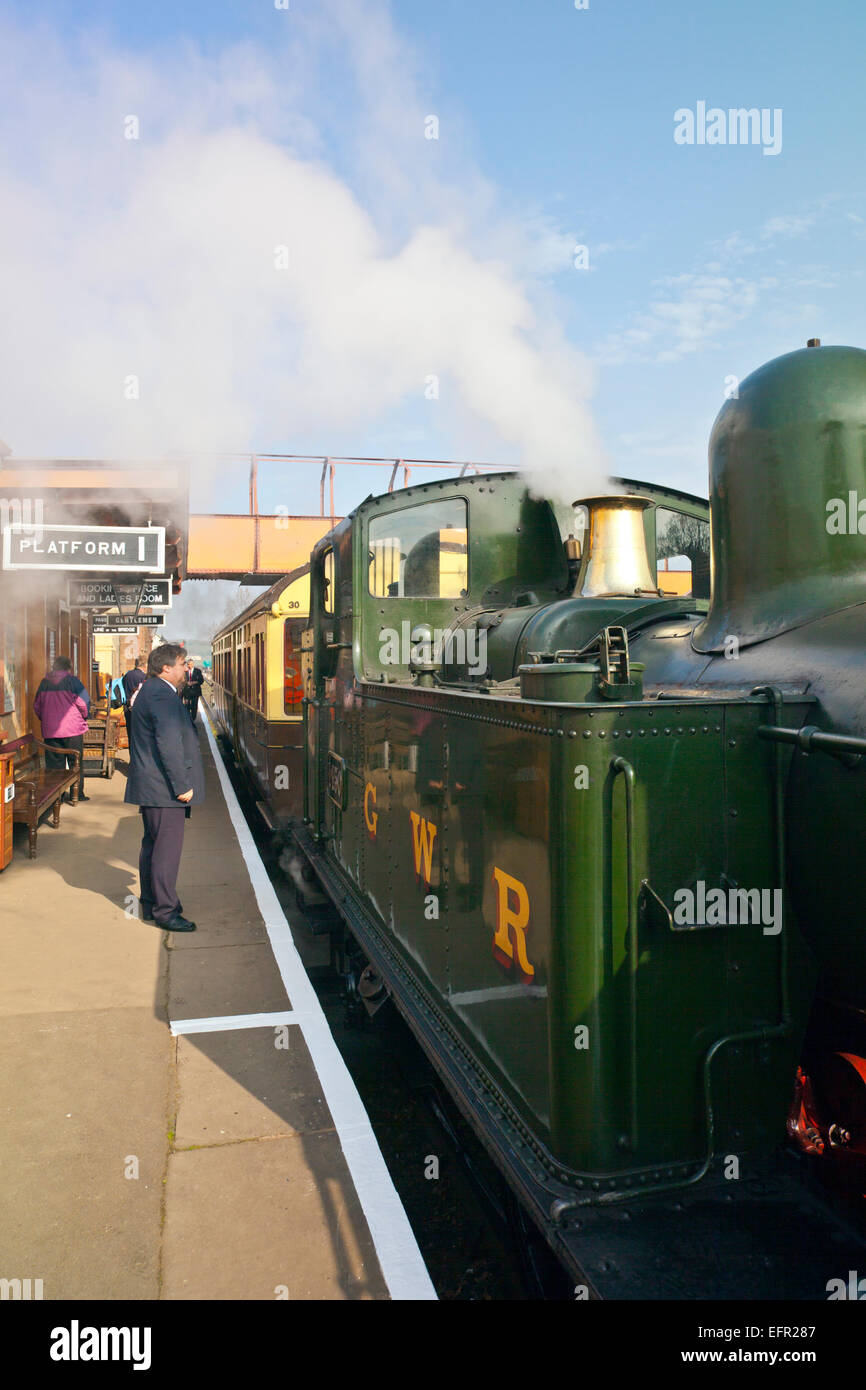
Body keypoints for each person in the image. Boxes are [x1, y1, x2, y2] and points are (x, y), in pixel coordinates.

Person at [125, 644, 205, 932]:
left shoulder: (152, 691)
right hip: (163, 788)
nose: (187, 668)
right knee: (166, 850)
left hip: (153, 786)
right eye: (183, 663)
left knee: (153, 845)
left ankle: (151, 903)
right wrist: (182, 785)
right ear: (165, 668)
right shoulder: (161, 694)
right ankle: (166, 911)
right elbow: (168, 743)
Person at [33, 656, 90, 802]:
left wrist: (46, 720)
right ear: (68, 668)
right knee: (75, 763)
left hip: (51, 731)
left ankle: (56, 796)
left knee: (54, 766)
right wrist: (84, 716)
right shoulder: (73, 681)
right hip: (73, 730)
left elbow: (37, 706)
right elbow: (83, 703)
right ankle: (77, 794)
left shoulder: (44, 683)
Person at [121, 656, 147, 754]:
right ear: (144, 665)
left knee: (130, 734)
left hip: (127, 707)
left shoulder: (127, 675)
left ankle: (131, 758)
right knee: (140, 735)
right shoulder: (144, 677)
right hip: (139, 709)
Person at [182, 659, 204, 723]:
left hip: (195, 691)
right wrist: (186, 683)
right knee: (187, 706)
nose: (189, 666)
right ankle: (188, 719)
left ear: (193, 664)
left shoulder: (198, 671)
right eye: (188, 664)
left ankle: (193, 718)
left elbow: (201, 681)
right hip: (186, 691)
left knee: (194, 706)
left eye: (190, 664)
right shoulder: (185, 671)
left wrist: (194, 682)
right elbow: (181, 680)